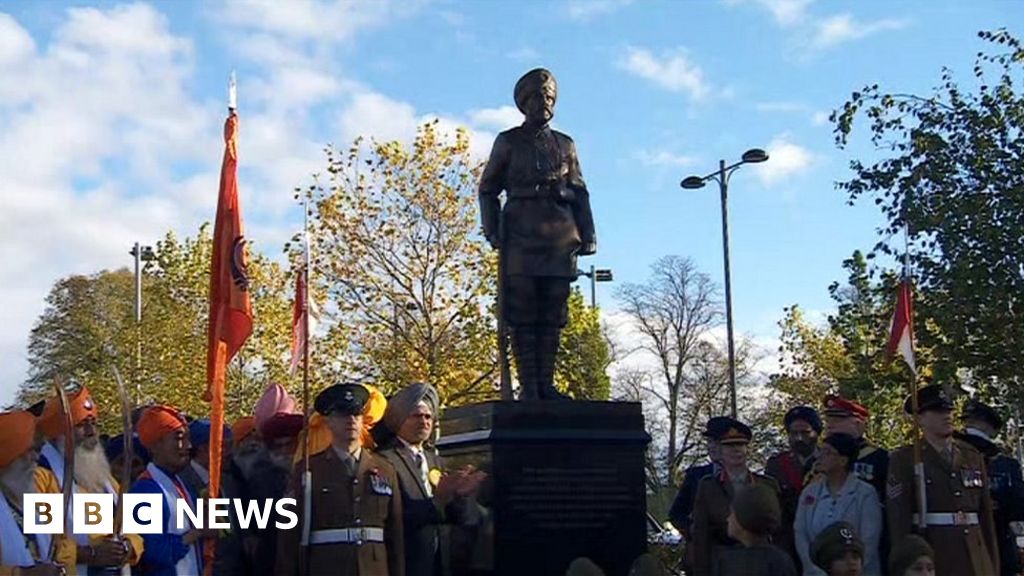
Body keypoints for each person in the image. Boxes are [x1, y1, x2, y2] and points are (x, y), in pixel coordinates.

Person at [478, 67, 597, 400]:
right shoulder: (508, 142)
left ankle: (547, 384)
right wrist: (492, 229)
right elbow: (488, 189)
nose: (544, 103)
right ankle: (530, 386)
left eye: (548, 97)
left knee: (553, 312)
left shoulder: (565, 144)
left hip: (559, 235)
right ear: (524, 103)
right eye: (537, 97)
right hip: (521, 233)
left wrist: (588, 234)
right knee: (523, 310)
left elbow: (580, 190)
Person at [276, 383, 405, 576]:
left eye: (356, 414)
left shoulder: (385, 469)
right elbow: (289, 535)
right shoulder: (307, 469)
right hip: (328, 566)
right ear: (328, 421)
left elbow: (395, 535)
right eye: (343, 415)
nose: (351, 420)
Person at [886, 385, 999, 576]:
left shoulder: (972, 456)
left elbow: (985, 517)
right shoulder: (905, 459)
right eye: (937, 411)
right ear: (919, 418)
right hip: (933, 552)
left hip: (974, 554)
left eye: (948, 410)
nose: (946, 416)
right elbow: (899, 519)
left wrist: (992, 563)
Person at [376, 383, 485, 576]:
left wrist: (461, 497)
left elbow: (457, 519)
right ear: (398, 419)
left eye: (428, 416)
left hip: (440, 565)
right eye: (416, 416)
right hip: (406, 564)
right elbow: (391, 518)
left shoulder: (436, 460)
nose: (424, 422)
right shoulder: (385, 460)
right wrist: (438, 501)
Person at [35, 386, 142, 575]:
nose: (92, 431)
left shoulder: (105, 479)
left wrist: (126, 547)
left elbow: (135, 530)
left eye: (94, 423)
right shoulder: (43, 477)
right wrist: (89, 554)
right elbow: (42, 542)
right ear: (59, 434)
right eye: (82, 425)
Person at [128, 405, 214, 576]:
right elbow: (151, 553)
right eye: (178, 438)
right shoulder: (144, 491)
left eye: (188, 439)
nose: (187, 446)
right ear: (155, 445)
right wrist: (197, 532)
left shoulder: (179, 483)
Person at [217, 410, 304, 576]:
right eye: (279, 446)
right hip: (269, 557)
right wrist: (249, 535)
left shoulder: (314, 473)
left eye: (290, 444)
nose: (285, 452)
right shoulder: (260, 479)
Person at [690, 417, 780, 576]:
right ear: (720, 451)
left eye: (740, 444)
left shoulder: (767, 485)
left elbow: (779, 530)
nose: (736, 450)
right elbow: (701, 536)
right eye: (729, 446)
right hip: (723, 563)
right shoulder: (708, 487)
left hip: (762, 564)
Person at [794, 433, 882, 576]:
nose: (820, 457)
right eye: (820, 451)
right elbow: (800, 533)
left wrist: (851, 568)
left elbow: (869, 540)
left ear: (843, 460)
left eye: (827, 452)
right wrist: (812, 567)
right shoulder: (810, 492)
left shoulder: (865, 493)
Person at [954, 399, 1024, 575]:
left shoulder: (946, 454)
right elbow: (1018, 508)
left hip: (957, 544)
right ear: (991, 428)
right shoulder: (1005, 464)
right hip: (998, 545)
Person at [0, 410, 74, 576]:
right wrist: (20, 574)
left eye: (38, 450)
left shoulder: (36, 494)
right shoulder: (43, 479)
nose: (36, 458)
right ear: (9, 452)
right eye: (30, 450)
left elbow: (61, 544)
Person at [668, 416, 729, 574]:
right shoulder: (696, 476)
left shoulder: (747, 478)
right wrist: (693, 531)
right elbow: (676, 514)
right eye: (710, 442)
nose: (713, 447)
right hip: (703, 554)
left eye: (718, 442)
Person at [766, 406, 822, 570]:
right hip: (787, 540)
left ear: (816, 433)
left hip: (820, 536)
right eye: (793, 433)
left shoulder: (828, 460)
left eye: (805, 433)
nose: (799, 438)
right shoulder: (777, 465)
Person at [717, 483, 797, 576]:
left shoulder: (732, 563)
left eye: (732, 513)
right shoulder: (781, 559)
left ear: (745, 518)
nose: (728, 518)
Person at [822, 396, 888, 502]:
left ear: (858, 424)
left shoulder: (880, 459)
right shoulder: (819, 458)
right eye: (828, 421)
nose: (830, 426)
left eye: (837, 421)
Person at [178, 418, 232, 499]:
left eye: (231, 445)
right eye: (224, 446)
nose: (230, 452)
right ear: (203, 448)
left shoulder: (229, 481)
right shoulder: (181, 482)